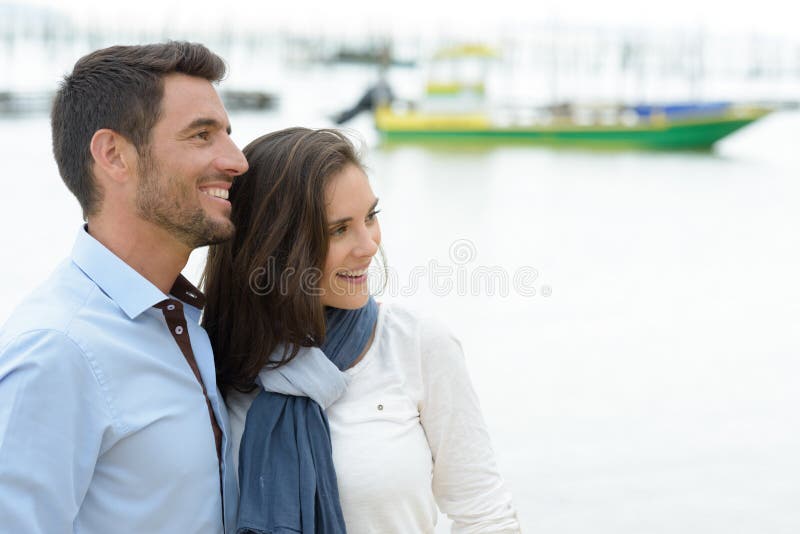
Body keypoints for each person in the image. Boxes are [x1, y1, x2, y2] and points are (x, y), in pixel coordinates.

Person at [202, 127, 521, 533]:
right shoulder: (213, 361)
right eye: (338, 229)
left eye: (370, 216)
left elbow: (485, 515)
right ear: (274, 247)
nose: (368, 245)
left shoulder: (416, 343)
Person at [0, 42, 249, 533]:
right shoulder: (57, 351)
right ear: (114, 155)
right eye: (202, 135)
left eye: (227, 135)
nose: (237, 160)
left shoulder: (183, 320)